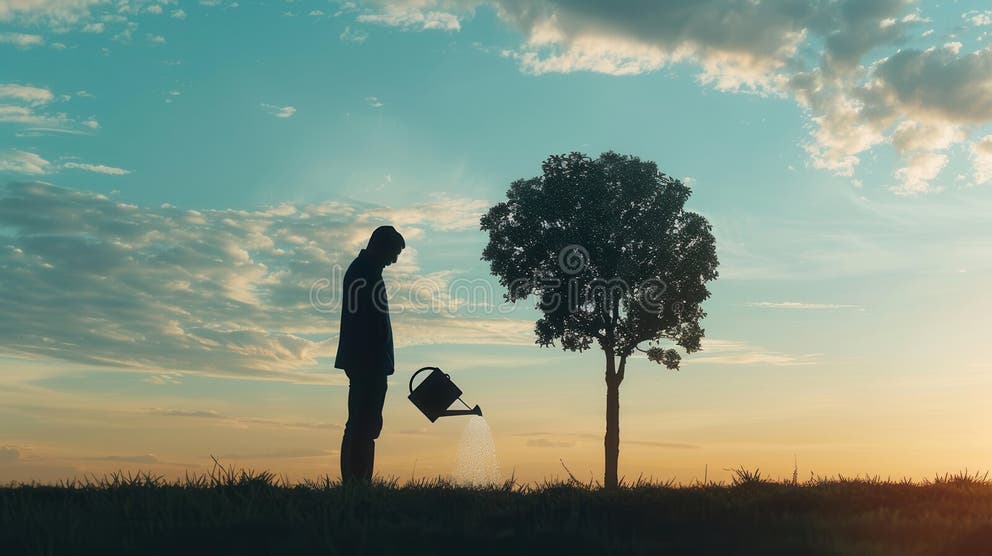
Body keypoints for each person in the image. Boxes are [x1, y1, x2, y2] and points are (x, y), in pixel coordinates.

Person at [335, 225, 404, 482]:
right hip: (367, 360)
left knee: (367, 421)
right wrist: (374, 359)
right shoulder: (363, 272)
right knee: (362, 422)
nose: (394, 260)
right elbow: (365, 322)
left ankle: (360, 480)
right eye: (393, 253)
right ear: (380, 246)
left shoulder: (367, 270)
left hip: (370, 359)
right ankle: (356, 481)